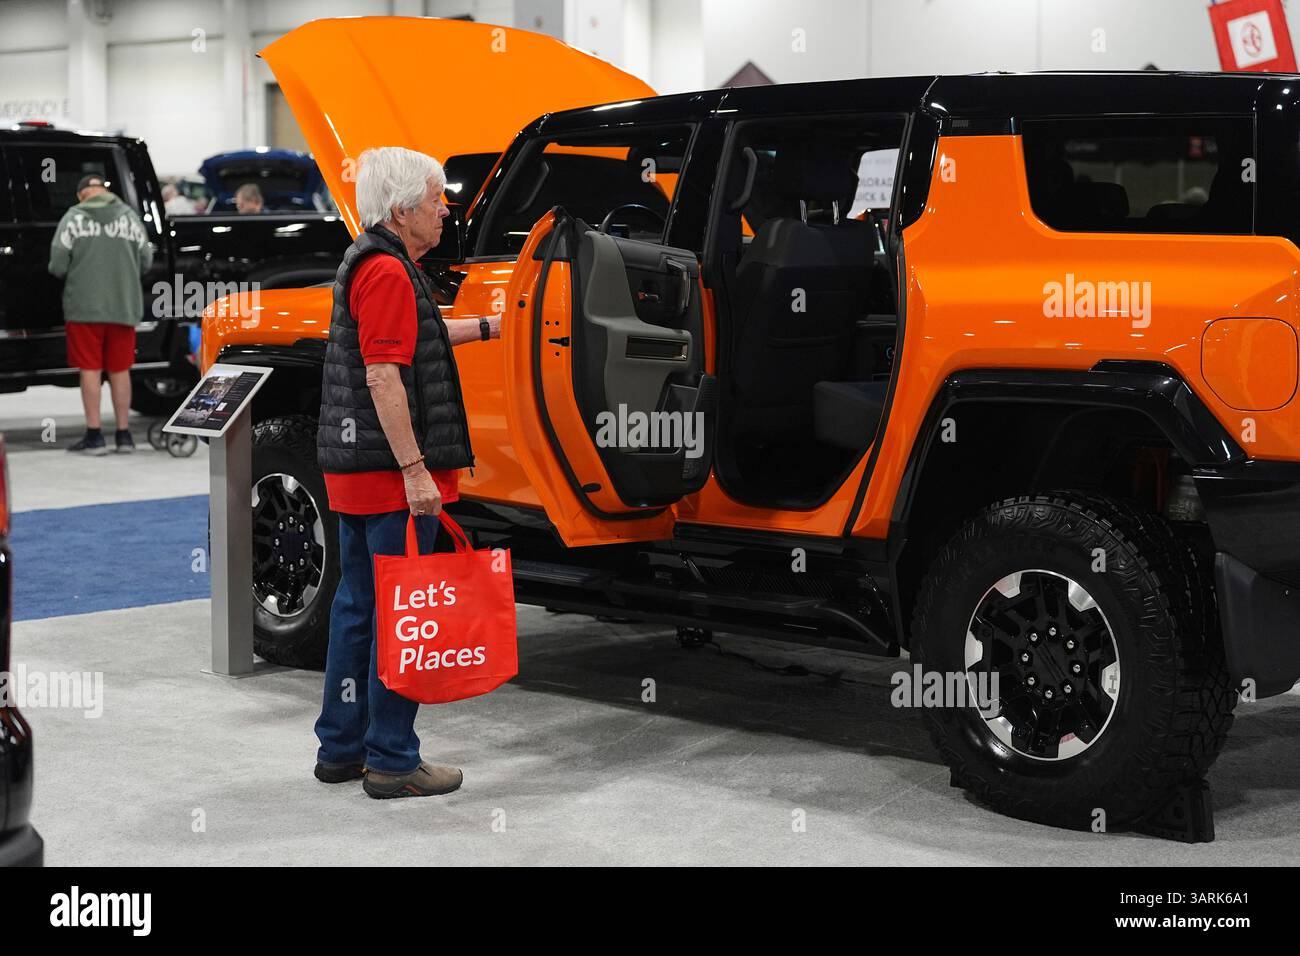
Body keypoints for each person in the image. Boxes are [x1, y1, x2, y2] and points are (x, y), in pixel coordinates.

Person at [313, 146, 500, 799]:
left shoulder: (371, 261)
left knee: (358, 605)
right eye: (435, 199)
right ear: (401, 208)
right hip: (391, 478)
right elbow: (383, 373)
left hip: (356, 472)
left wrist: (492, 327)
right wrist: (416, 469)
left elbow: (411, 339)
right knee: (404, 614)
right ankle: (392, 758)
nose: (446, 209)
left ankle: (340, 748)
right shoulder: (390, 272)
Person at [48, 173, 153, 455]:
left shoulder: (73, 218)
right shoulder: (130, 218)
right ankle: (124, 435)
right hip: (123, 306)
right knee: (120, 371)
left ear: (82, 194)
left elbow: (57, 264)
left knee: (90, 371)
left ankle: (94, 436)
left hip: (84, 308)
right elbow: (146, 259)